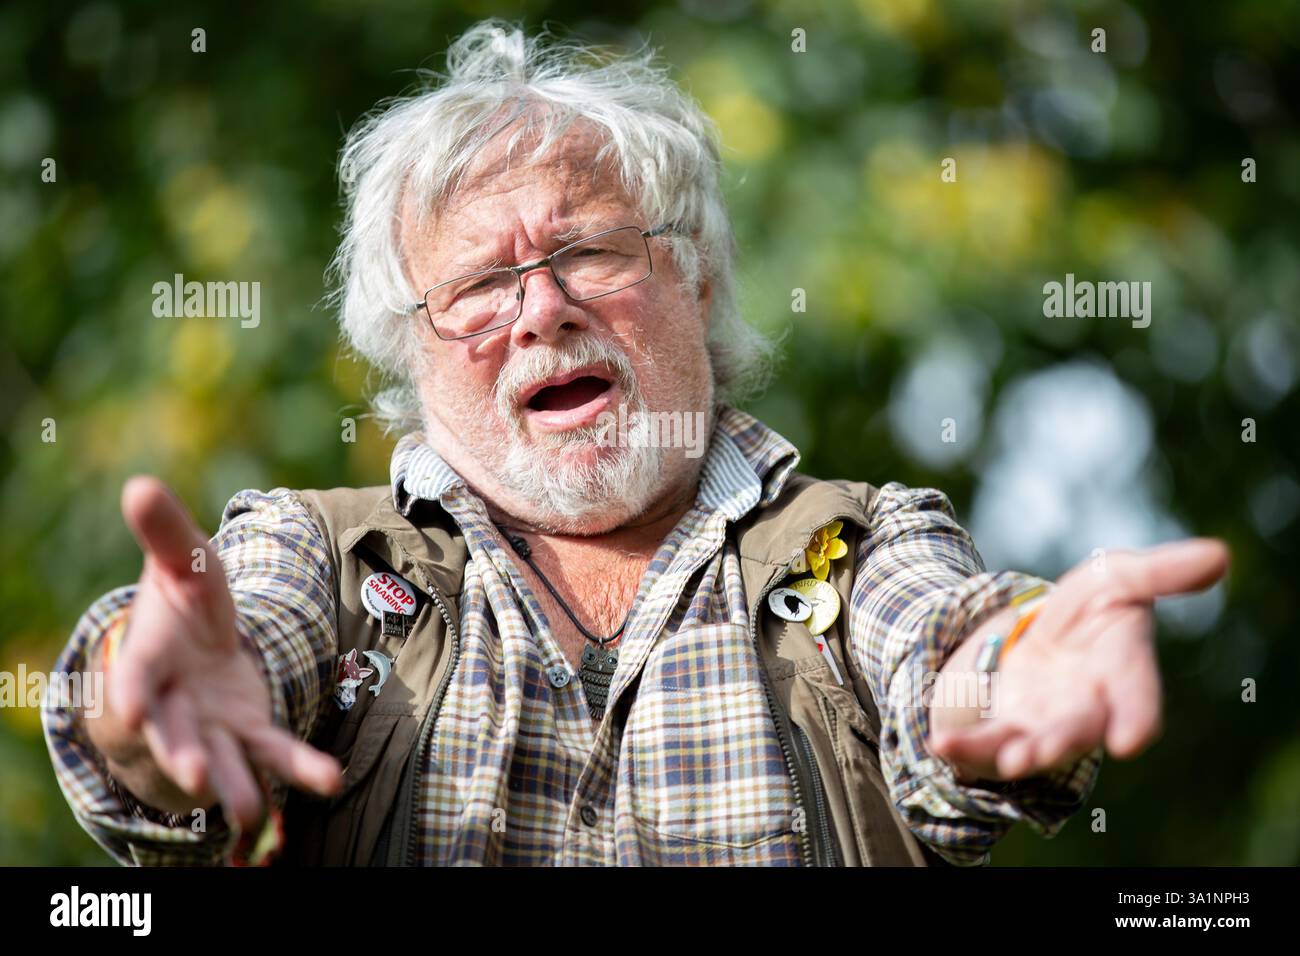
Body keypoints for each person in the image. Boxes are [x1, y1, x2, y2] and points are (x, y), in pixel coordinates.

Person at [43, 19, 1228, 867]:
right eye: (477, 284)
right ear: (411, 349)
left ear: (696, 276)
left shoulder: (858, 543)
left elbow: (939, 635)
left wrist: (1004, 671)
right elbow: (212, 679)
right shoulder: (319, 554)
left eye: (591, 253)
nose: (540, 308)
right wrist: (144, 705)